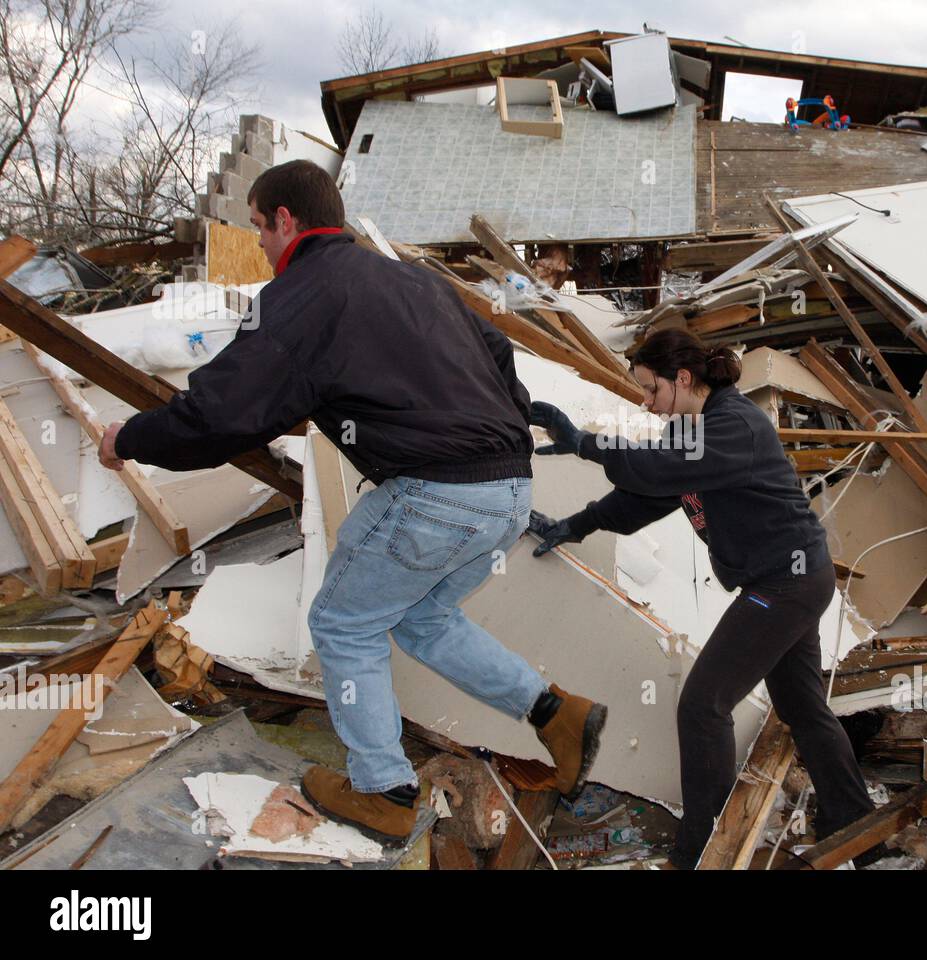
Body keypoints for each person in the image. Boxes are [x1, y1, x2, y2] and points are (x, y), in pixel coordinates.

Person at [97, 159, 606, 840]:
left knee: (342, 623)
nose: (260, 246)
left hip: (437, 492)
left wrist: (129, 436)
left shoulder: (303, 293)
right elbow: (497, 353)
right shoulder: (412, 281)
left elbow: (222, 411)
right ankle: (555, 713)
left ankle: (384, 790)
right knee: (422, 619)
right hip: (508, 487)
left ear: (286, 219)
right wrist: (501, 428)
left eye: (258, 227)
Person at [529, 327, 873, 869]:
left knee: (702, 705)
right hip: (785, 580)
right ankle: (857, 830)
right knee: (802, 706)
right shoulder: (692, 432)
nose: (647, 403)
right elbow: (644, 495)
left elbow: (658, 469)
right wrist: (575, 525)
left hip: (786, 583)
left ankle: (699, 851)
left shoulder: (733, 425)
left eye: (651, 390)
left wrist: (584, 443)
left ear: (682, 379)